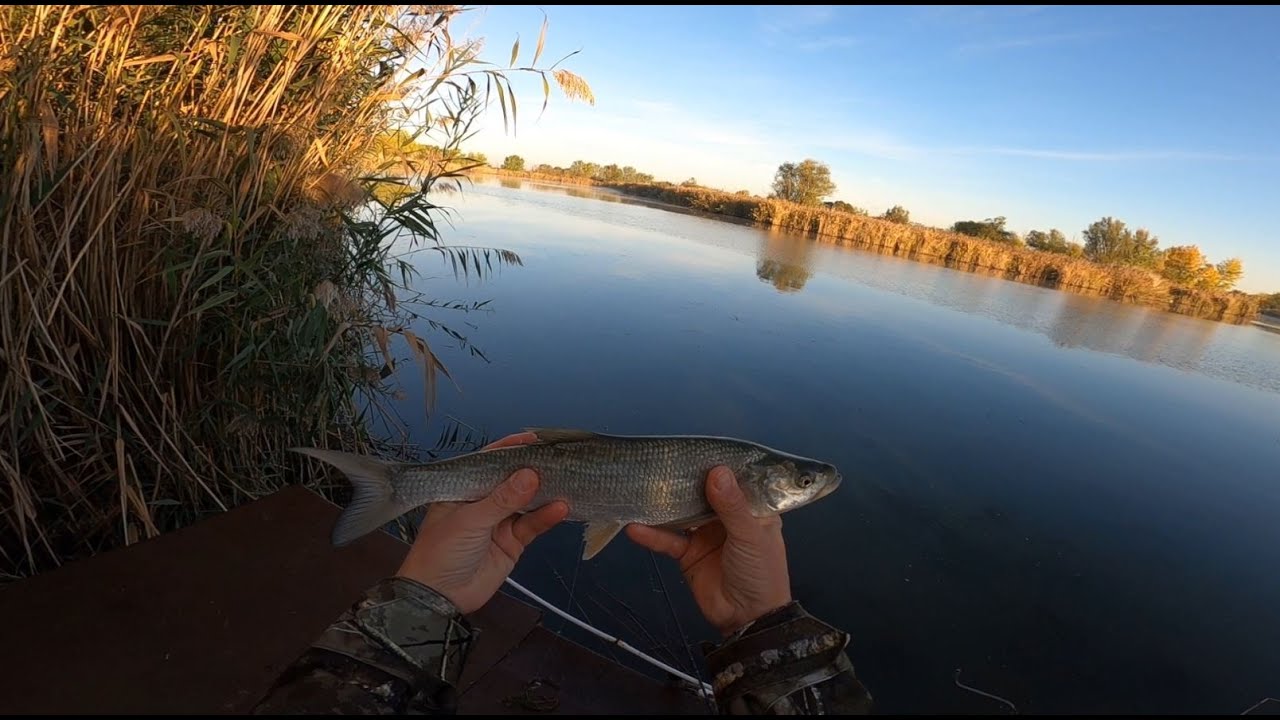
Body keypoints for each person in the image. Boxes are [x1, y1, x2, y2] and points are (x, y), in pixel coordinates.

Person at [252, 432, 873, 715]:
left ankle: (401, 487)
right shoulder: (736, 465)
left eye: (802, 479)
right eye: (801, 479)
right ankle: (399, 485)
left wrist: (425, 596)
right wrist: (762, 621)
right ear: (754, 485)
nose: (810, 484)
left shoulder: (738, 465)